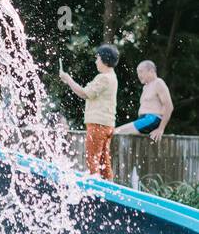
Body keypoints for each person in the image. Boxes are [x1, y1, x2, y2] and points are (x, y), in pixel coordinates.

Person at [59, 45, 119, 180]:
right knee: (104, 160)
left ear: (104, 60)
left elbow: (85, 93)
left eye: (97, 58)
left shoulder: (103, 78)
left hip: (98, 124)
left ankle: (96, 190)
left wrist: (68, 79)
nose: (96, 61)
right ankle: (109, 187)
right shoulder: (112, 77)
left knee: (92, 158)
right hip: (107, 124)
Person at [114, 60, 173, 143]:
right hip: (145, 119)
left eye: (141, 72)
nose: (139, 75)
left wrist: (161, 129)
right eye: (138, 73)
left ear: (151, 71)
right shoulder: (145, 87)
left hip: (152, 119)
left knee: (116, 132)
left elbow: (169, 106)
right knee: (118, 133)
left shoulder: (158, 83)